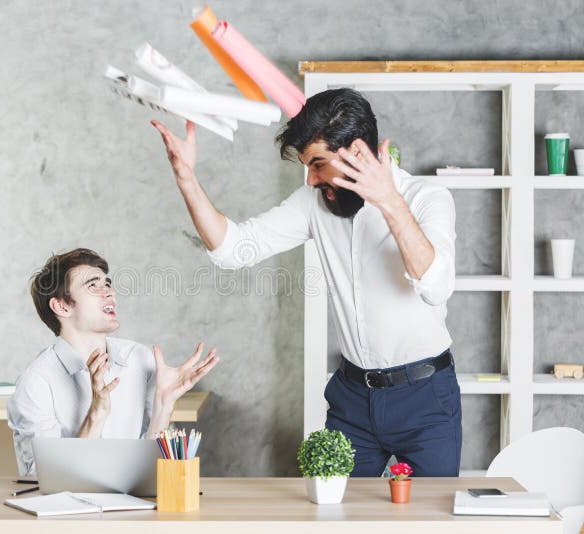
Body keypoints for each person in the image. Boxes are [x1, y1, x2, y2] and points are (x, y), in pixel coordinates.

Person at [151, 88, 461, 477]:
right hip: (353, 398)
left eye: (317, 163)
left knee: (431, 522)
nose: (312, 179)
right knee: (335, 516)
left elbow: (435, 286)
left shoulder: (427, 198)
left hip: (425, 397)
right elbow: (234, 250)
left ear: (358, 152)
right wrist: (186, 178)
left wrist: (389, 202)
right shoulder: (314, 203)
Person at [7, 248, 219, 475]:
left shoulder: (140, 358)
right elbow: (42, 479)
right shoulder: (36, 382)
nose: (109, 292)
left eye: (107, 284)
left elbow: (149, 469)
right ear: (62, 306)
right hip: (68, 507)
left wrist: (163, 407)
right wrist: (97, 412)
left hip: (133, 503)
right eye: (92, 285)